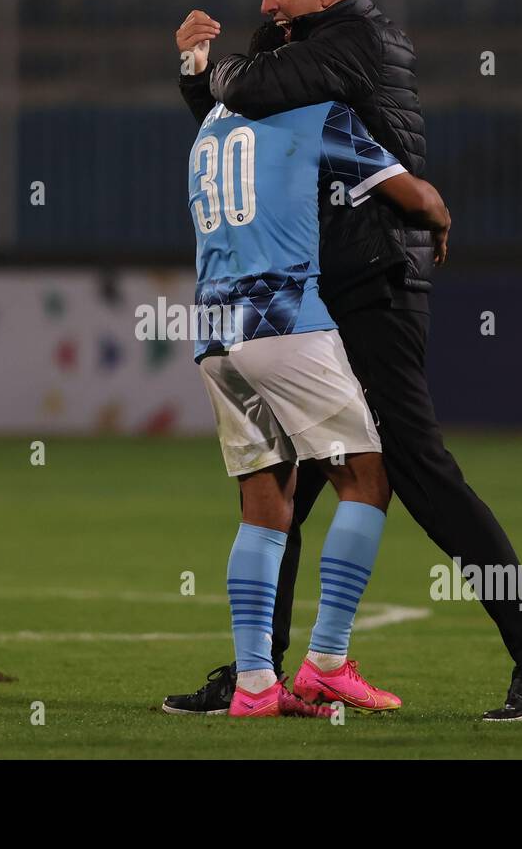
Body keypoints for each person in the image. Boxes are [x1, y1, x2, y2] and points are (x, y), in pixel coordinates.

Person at [166, 0, 522, 722]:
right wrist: (201, 74)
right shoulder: (309, 55)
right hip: (326, 286)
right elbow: (242, 121)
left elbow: (254, 92)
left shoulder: (357, 38)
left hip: (373, 281)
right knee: (287, 484)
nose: (267, 4)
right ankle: (262, 672)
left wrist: (207, 61)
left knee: (415, 468)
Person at [185, 87, 450, 716]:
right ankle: (328, 662)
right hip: (284, 320)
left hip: (215, 332)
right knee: (366, 476)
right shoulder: (309, 111)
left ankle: (253, 686)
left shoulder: (210, 128)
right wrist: (437, 215)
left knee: (264, 503)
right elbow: (414, 193)